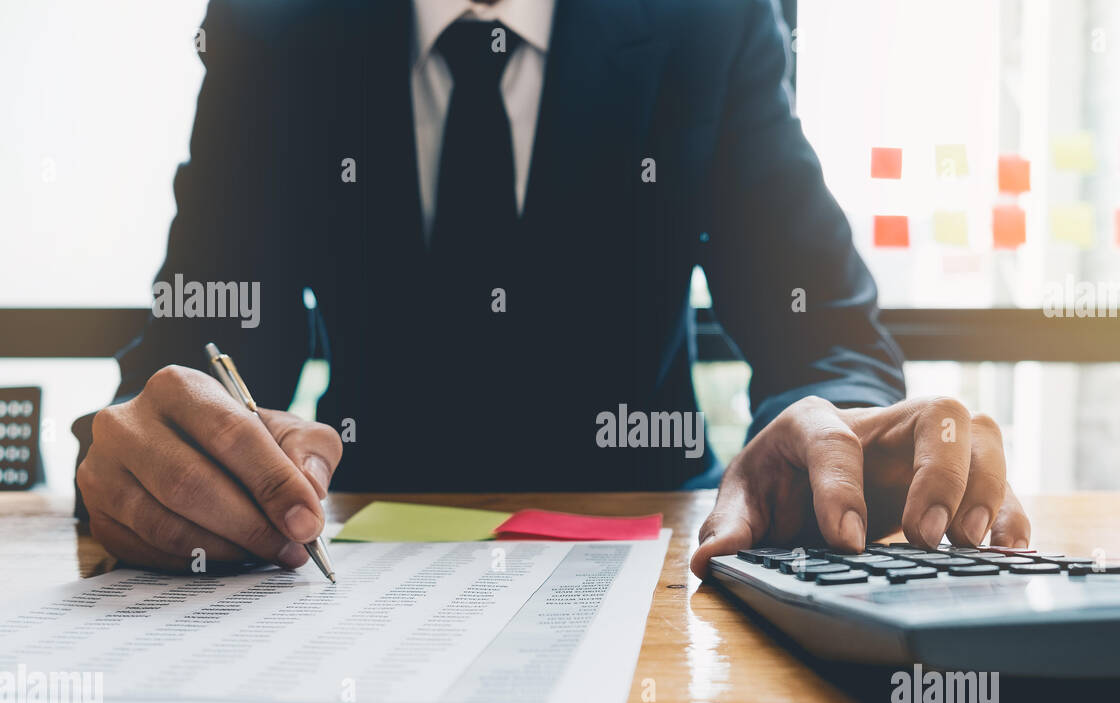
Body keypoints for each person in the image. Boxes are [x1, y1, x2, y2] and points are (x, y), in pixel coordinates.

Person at [74, 0, 1030, 578]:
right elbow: (196, 351)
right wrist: (151, 452)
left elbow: (826, 338)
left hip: (659, 562)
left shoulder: (708, 19)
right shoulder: (274, 27)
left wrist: (840, 441)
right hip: (351, 566)